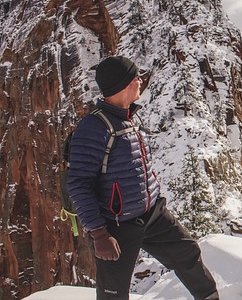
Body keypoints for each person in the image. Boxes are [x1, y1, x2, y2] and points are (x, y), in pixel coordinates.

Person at [67, 55, 220, 300]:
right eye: (136, 77)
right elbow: (78, 183)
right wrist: (99, 234)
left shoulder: (128, 116)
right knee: (113, 293)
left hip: (152, 213)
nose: (141, 81)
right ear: (125, 84)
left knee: (187, 254)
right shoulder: (94, 127)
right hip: (117, 225)